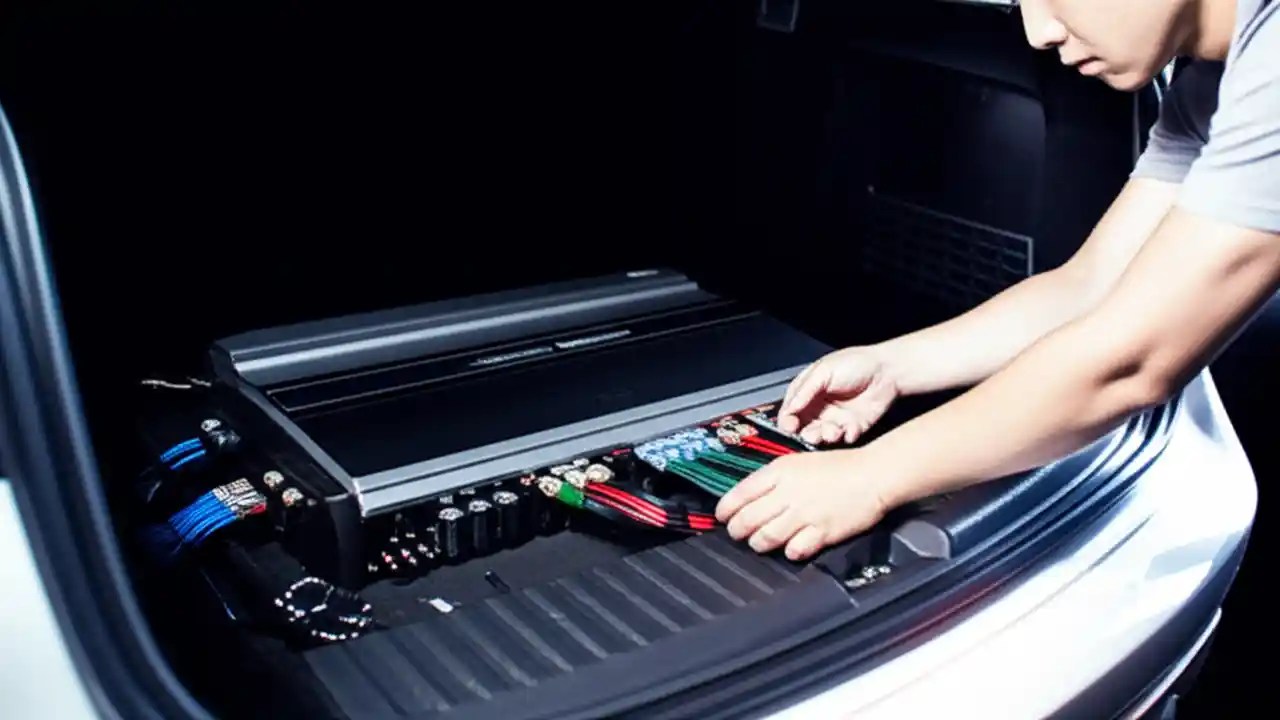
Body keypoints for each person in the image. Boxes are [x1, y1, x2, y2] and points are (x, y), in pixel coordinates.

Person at [716, 0, 1280, 561]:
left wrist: (872, 476)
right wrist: (894, 366)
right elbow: (1090, 285)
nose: (1037, 33)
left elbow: (1134, 363)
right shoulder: (1210, 83)